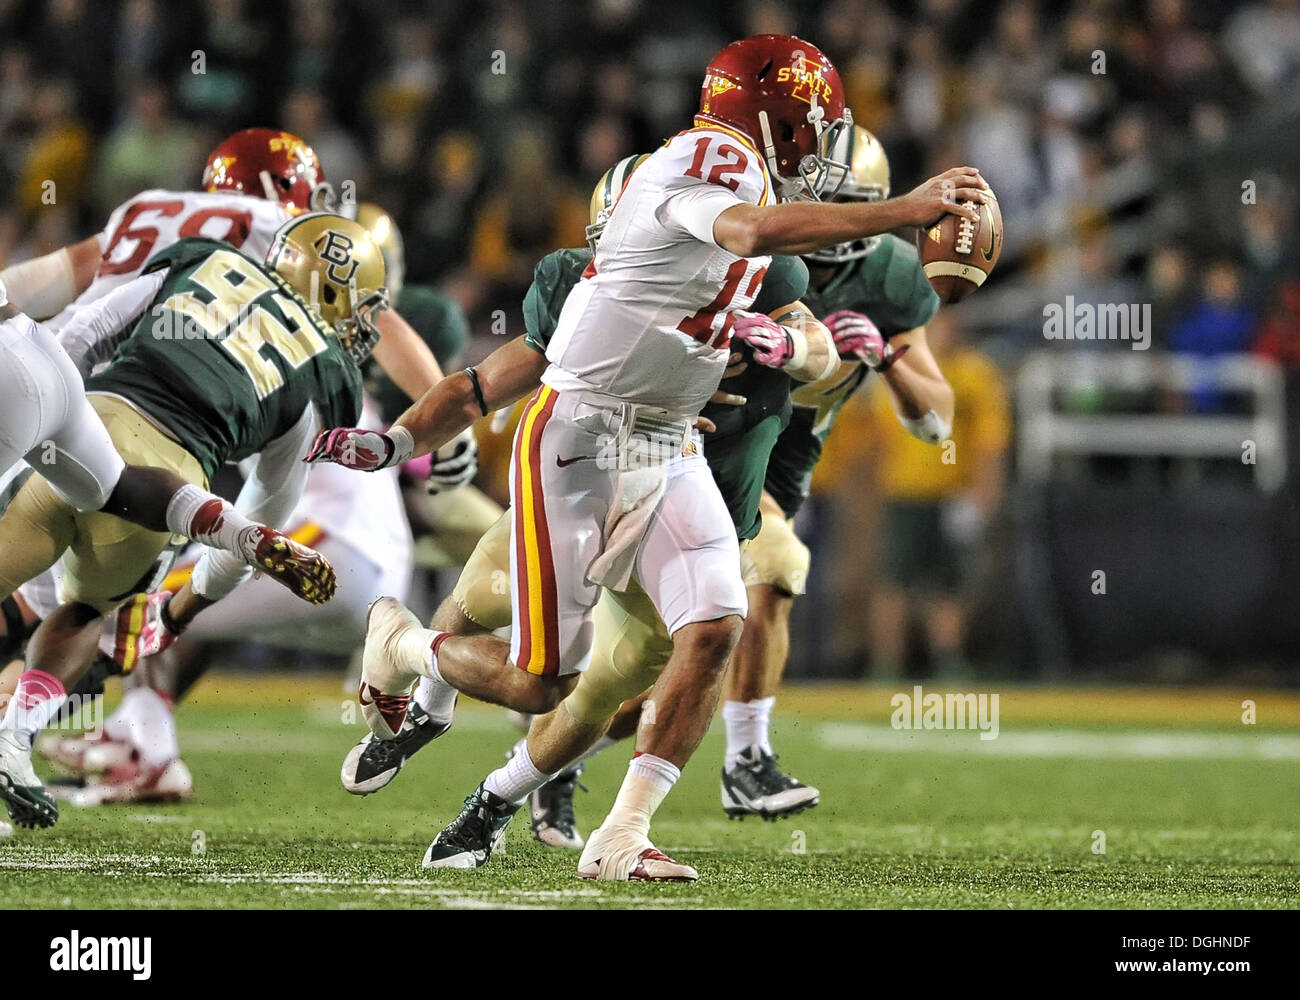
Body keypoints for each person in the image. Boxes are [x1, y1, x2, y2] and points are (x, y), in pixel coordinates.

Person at [310, 34, 986, 880]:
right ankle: (402, 645)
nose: (818, 147)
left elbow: (802, 333)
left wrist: (811, 346)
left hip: (669, 445)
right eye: (808, 128)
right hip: (581, 439)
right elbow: (497, 377)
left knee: (714, 626)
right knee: (538, 684)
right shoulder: (710, 160)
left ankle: (622, 833)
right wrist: (904, 209)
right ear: (767, 121)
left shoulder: (761, 243)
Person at [0, 213, 384, 830]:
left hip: (85, 424)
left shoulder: (202, 260)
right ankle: (14, 737)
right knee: (84, 611)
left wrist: (55, 417)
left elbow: (85, 330)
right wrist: (194, 602)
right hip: (171, 477)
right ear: (334, 291)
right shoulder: (324, 374)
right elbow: (262, 516)